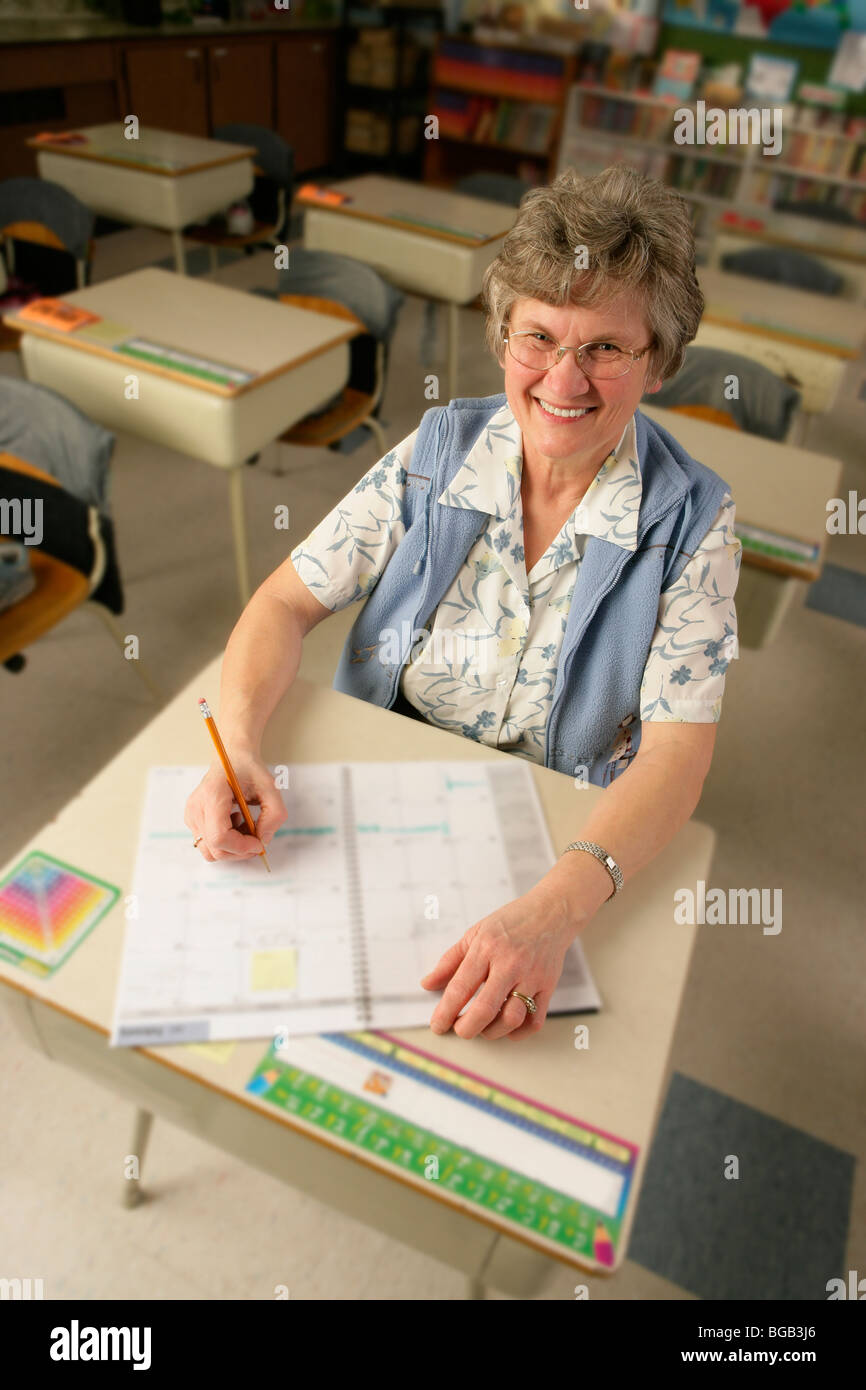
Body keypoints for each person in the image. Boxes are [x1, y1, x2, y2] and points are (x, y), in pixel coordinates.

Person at [184, 165, 741, 1043]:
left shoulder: (693, 520)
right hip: (389, 777)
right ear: (501, 337)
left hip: (559, 828)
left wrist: (555, 910)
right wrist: (241, 746)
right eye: (539, 338)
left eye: (605, 348)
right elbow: (284, 604)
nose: (564, 380)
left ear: (658, 363)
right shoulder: (439, 449)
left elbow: (677, 754)